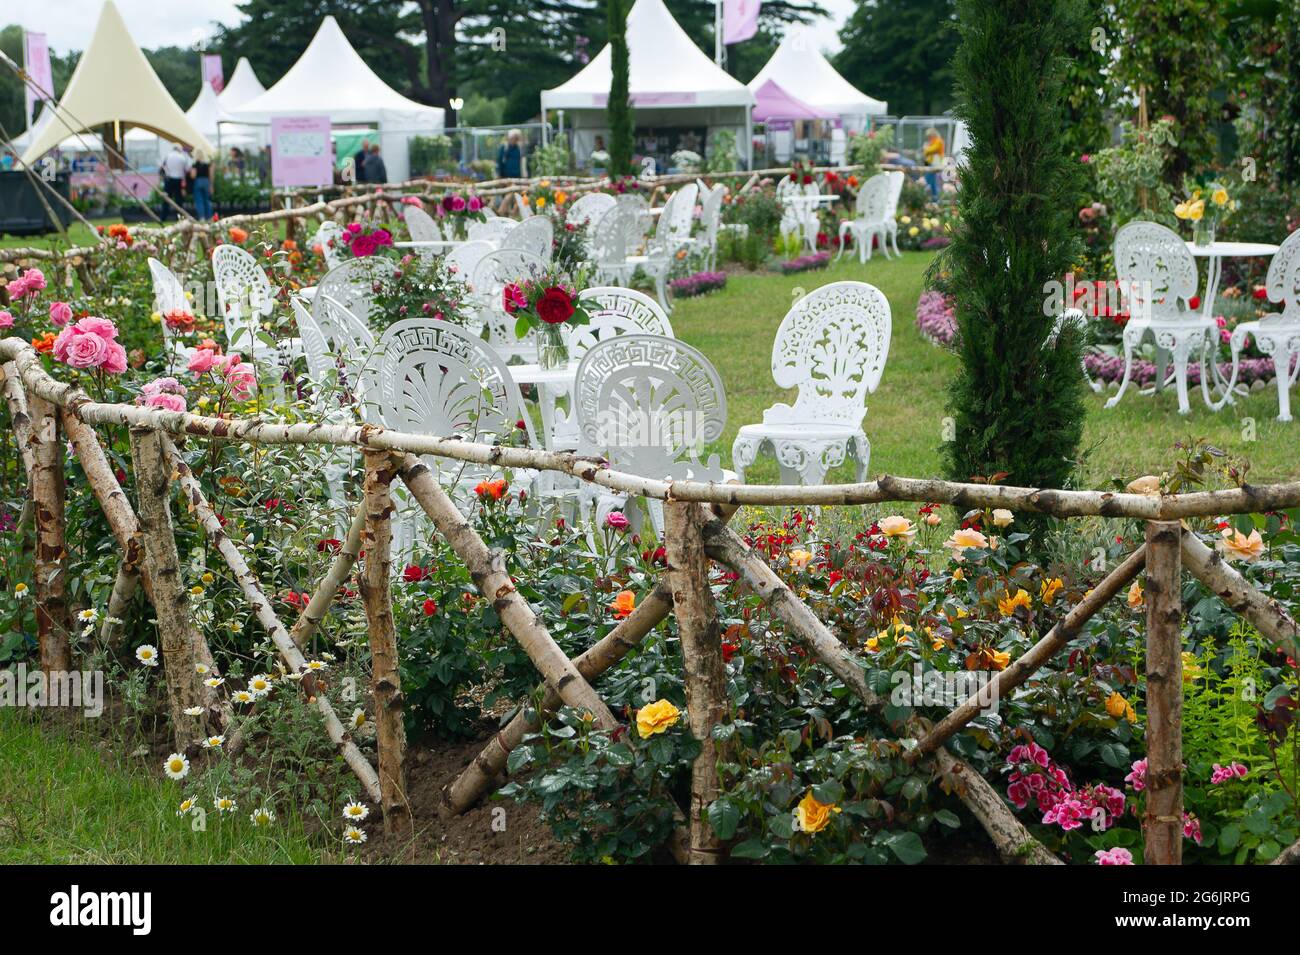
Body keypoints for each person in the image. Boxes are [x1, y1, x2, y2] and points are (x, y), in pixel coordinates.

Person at [160, 144, 192, 218]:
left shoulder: (167, 156)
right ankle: (179, 216)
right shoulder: (182, 157)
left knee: (166, 199)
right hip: (179, 180)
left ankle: (163, 217)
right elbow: (187, 169)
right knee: (179, 200)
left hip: (168, 179)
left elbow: (162, 167)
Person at [190, 149, 213, 220]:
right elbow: (211, 175)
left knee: (199, 201)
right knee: (207, 200)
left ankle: (202, 217)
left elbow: (193, 175)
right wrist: (211, 185)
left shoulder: (195, 164)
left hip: (198, 181)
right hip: (206, 181)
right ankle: (209, 217)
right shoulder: (207, 164)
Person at [922, 126, 945, 199]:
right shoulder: (932, 142)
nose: (928, 138)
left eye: (929, 136)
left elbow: (930, 150)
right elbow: (925, 153)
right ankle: (935, 198)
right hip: (929, 164)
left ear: (933, 135)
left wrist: (926, 148)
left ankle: (934, 198)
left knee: (929, 180)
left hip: (935, 164)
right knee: (932, 182)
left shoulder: (938, 141)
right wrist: (926, 149)